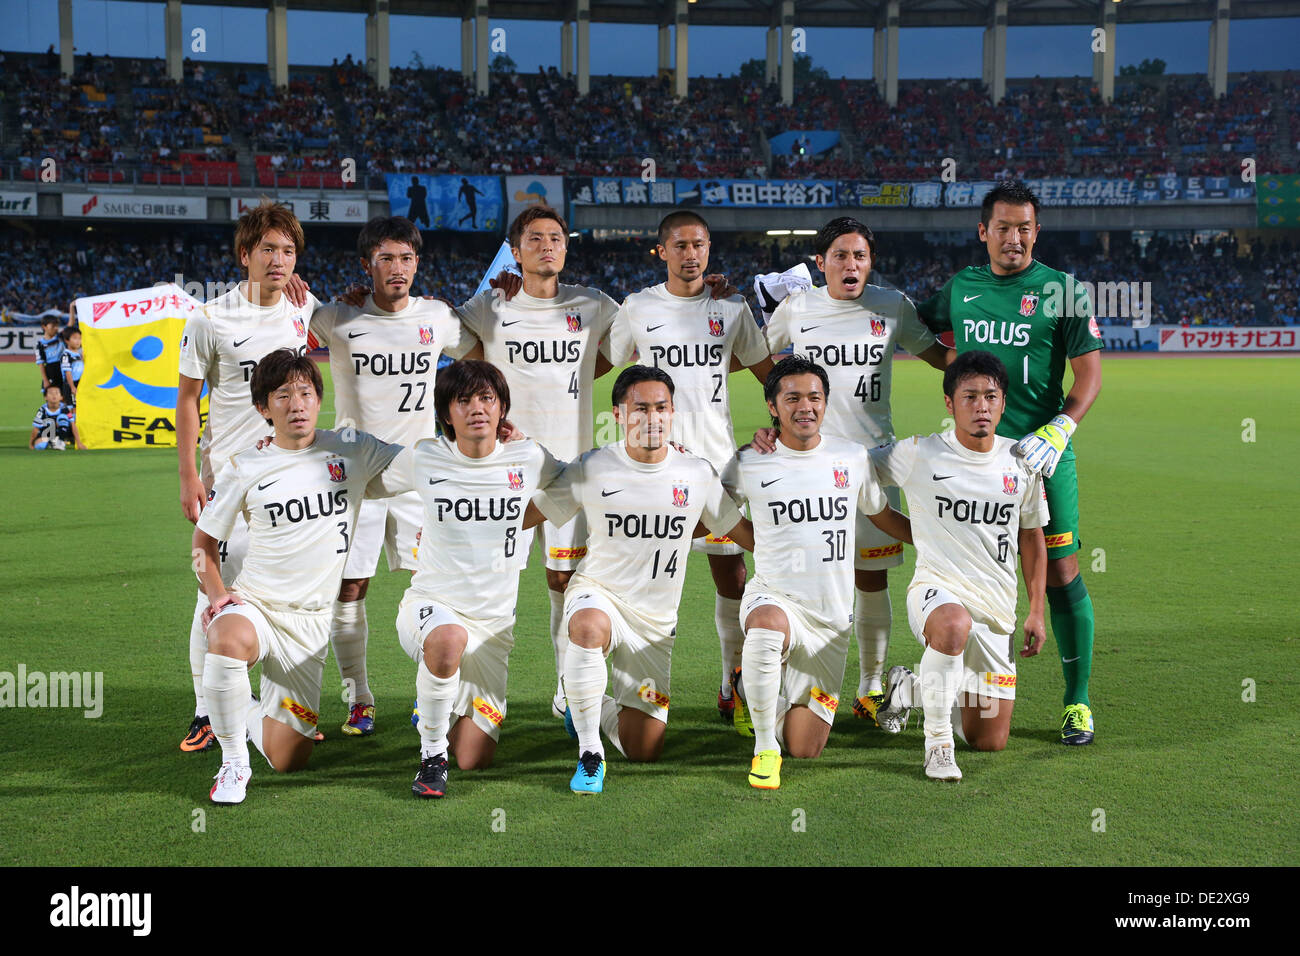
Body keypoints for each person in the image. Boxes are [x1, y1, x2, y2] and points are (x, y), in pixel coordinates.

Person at [916, 180, 1102, 745]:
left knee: (1064, 571)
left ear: (1036, 232)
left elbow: (1089, 375)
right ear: (983, 232)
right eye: (1003, 227)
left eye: (1024, 228)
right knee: (960, 570)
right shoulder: (961, 287)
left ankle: (1077, 702)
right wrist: (953, 367)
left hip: (1042, 456)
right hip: (972, 460)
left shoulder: (1063, 290)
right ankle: (937, 683)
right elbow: (915, 329)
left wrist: (1061, 426)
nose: (1014, 238)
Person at [759, 217, 952, 727]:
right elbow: (755, 356)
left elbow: (942, 359)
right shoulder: (796, 309)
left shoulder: (892, 307)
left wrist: (1008, 353)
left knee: (870, 578)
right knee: (801, 576)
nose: (851, 265)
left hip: (871, 463)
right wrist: (774, 418)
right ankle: (789, 685)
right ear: (820, 263)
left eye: (860, 255)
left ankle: (870, 685)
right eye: (840, 255)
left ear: (871, 261)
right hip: (806, 466)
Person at [192, 349, 403, 804]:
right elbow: (202, 544)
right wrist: (216, 595)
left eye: (305, 392)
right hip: (259, 607)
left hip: (310, 626)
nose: (296, 404)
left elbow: (420, 466)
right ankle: (232, 762)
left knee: (289, 758)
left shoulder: (352, 449)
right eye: (282, 395)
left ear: (319, 399)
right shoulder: (246, 466)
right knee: (227, 638)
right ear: (263, 409)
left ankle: (246, 710)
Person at [530, 365, 751, 794]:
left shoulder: (696, 473)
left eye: (661, 407)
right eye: (640, 408)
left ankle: (578, 705)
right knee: (588, 625)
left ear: (673, 412)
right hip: (600, 594)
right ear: (618, 414)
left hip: (655, 622)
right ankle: (590, 753)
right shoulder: (592, 467)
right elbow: (527, 515)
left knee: (644, 747)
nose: (652, 417)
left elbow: (735, 529)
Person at [607, 210, 773, 727]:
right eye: (679, 245)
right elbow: (605, 364)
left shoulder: (731, 306)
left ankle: (733, 682)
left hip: (718, 463)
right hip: (652, 469)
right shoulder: (637, 308)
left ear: (709, 249)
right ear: (662, 251)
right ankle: (634, 691)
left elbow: (768, 373)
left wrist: (780, 429)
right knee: (644, 579)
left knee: (732, 575)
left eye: (698, 244)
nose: (690, 254)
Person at [309, 215, 473, 737]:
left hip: (418, 477)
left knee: (438, 586)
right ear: (367, 265)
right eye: (386, 259)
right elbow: (282, 308)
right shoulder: (337, 318)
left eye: (406, 258)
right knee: (350, 588)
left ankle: (435, 695)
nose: (397, 268)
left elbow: (485, 347)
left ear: (417, 263)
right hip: (353, 479)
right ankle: (359, 697)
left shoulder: (438, 318)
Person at [455, 206, 620, 719]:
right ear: (516, 249)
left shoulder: (593, 304)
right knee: (488, 579)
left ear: (566, 249)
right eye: (535, 239)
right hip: (502, 466)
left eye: (556, 238)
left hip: (569, 470)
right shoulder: (490, 306)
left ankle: (567, 690)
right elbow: (453, 346)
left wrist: (574, 378)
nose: (547, 246)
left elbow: (623, 345)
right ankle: (470, 694)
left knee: (563, 581)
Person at [722, 355, 911, 790]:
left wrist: (937, 538)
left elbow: (881, 515)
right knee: (767, 630)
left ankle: (754, 685)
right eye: (792, 398)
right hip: (775, 597)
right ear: (773, 406)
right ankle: (764, 749)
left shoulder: (850, 458)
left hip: (831, 619)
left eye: (814, 397)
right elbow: (716, 514)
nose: (804, 406)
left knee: (806, 747)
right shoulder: (750, 461)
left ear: (826, 403)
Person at [176, 201, 323, 753]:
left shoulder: (301, 309)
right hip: (228, 478)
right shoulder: (209, 318)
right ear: (244, 255)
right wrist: (190, 472)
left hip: (287, 477)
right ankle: (205, 711)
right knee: (214, 590)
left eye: (288, 250)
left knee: (279, 586)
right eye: (268, 249)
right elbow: (189, 401)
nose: (279, 260)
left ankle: (278, 709)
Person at [869, 350, 1048, 781]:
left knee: (989, 740)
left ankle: (908, 688)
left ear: (1004, 403)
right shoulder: (919, 453)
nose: (981, 406)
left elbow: (1031, 537)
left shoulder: (1022, 462)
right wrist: (914, 532)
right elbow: (854, 471)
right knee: (951, 627)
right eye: (969, 396)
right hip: (937, 593)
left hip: (996, 609)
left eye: (991, 396)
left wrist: (1037, 611)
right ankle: (938, 747)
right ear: (949, 404)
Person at [394, 360, 563, 798]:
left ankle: (436, 704)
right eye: (463, 400)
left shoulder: (527, 458)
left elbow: (576, 483)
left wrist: (519, 518)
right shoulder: (424, 457)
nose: (477, 409)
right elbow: (360, 472)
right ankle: (431, 757)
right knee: (448, 640)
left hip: (493, 626)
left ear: (502, 407)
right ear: (446, 413)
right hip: (433, 605)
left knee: (473, 757)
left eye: (487, 398)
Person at [29, 384, 83, 450]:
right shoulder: (42, 410)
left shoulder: (65, 409)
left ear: (61, 397)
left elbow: (73, 425)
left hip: (62, 433)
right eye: (51, 393)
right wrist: (31, 444)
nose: (54, 395)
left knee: (62, 417)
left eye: (57, 393)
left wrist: (79, 443)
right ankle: (52, 443)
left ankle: (61, 441)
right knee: (40, 446)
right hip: (47, 436)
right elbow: (36, 428)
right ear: (45, 397)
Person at [35, 316, 65, 397]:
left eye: (57, 326)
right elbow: (41, 363)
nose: (56, 328)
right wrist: (45, 380)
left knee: (66, 398)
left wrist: (71, 309)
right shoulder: (40, 344)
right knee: (52, 398)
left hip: (63, 369)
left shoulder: (60, 337)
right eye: (53, 326)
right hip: (51, 372)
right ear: (44, 327)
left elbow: (70, 325)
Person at [59, 326, 83, 405]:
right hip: (71, 385)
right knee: (72, 408)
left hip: (79, 384)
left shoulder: (79, 355)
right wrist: (72, 387)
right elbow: (68, 372)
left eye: (80, 338)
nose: (78, 341)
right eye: (75, 338)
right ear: (67, 340)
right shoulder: (66, 355)